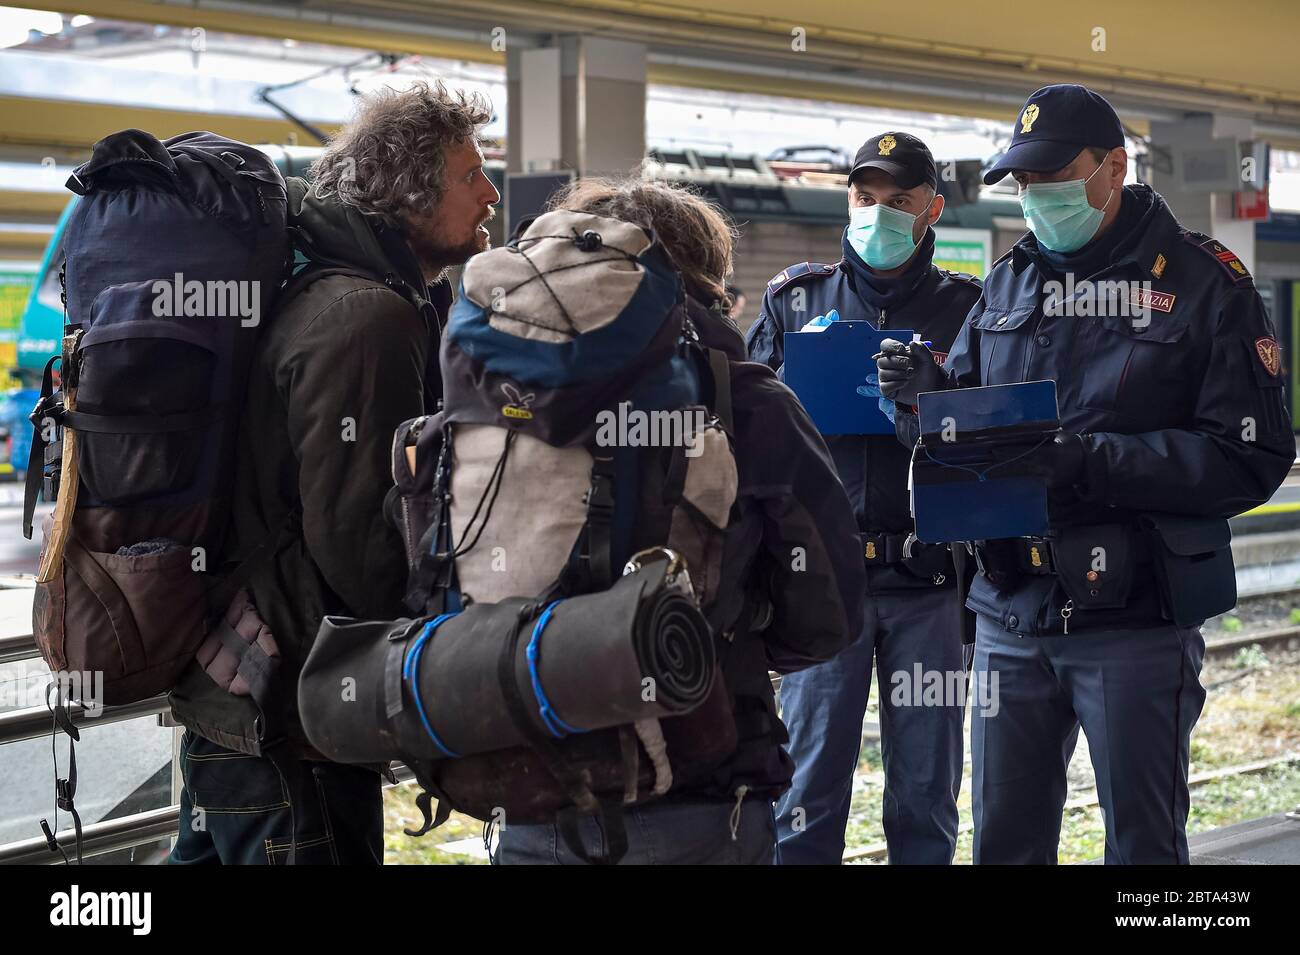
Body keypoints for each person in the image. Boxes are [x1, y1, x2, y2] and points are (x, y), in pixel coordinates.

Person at [877, 84, 1293, 864]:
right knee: (1003, 843)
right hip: (1008, 612)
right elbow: (968, 428)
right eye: (1024, 183)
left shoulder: (1206, 286)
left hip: (1133, 619)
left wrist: (1091, 463)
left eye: (1052, 177)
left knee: (1141, 848)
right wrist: (921, 401)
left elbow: (1250, 454)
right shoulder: (1008, 282)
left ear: (1114, 167)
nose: (1036, 197)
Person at [167, 80, 500, 865]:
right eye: (469, 175)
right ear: (411, 192)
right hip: (292, 718)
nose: (489, 193)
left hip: (243, 700)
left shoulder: (362, 296)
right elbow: (359, 543)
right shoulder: (367, 318)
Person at [488, 177, 866, 864]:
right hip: (699, 787)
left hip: (525, 777)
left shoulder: (497, 386)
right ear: (703, 276)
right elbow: (830, 609)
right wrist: (717, 644)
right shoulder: (747, 399)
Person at [746, 132, 982, 864]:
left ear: (932, 209)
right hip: (824, 583)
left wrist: (937, 398)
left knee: (926, 795)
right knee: (806, 793)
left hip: (931, 587)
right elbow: (740, 428)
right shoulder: (795, 303)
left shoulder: (970, 310)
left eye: (900, 201)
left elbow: (1003, 442)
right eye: (865, 197)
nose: (879, 213)